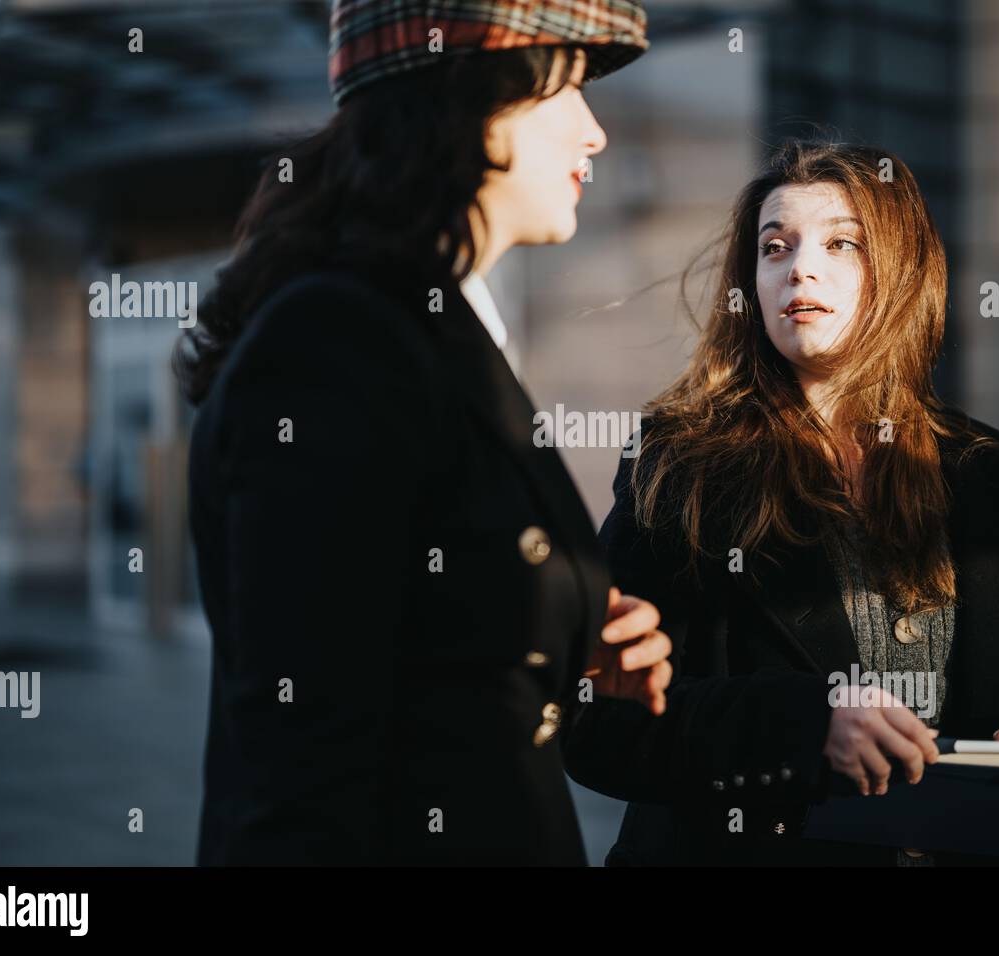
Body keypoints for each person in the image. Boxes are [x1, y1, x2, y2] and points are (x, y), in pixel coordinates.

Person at [177, 0, 672, 865]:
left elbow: (421, 629)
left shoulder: (425, 329)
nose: (594, 133)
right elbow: (302, 769)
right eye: (569, 90)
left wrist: (568, 631)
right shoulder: (337, 343)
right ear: (472, 91)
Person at [562, 138, 999, 866]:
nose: (801, 268)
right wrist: (803, 727)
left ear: (903, 271)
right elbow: (596, 722)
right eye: (775, 247)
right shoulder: (680, 465)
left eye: (842, 243)